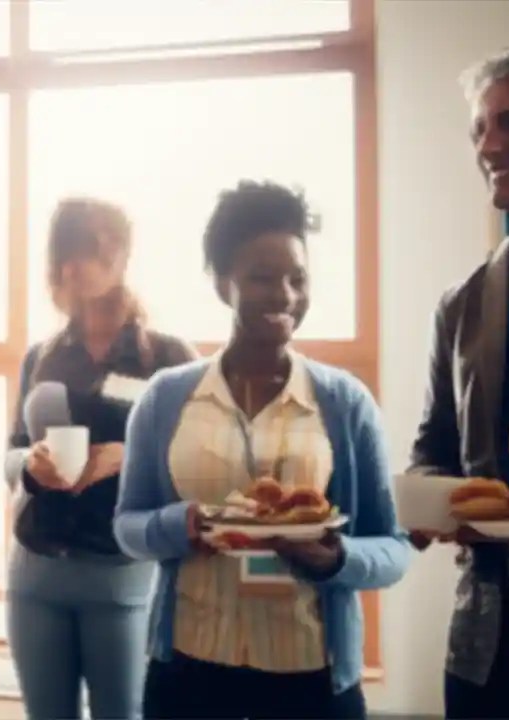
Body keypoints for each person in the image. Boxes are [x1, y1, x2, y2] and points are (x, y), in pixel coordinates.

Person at [114, 180, 410, 719]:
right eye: (261, 278)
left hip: (310, 679)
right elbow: (128, 525)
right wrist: (182, 525)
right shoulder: (166, 399)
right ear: (221, 282)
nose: (284, 295)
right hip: (189, 673)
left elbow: (393, 549)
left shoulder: (345, 403)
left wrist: (336, 558)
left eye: (298, 278)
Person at [408, 38, 509, 719]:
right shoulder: (462, 303)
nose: (488, 144)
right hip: (491, 634)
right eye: (479, 128)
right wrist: (427, 504)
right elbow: (433, 448)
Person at [4, 198, 195, 720]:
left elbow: (201, 462)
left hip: (122, 574)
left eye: (87, 252)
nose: (73, 268)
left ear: (121, 256)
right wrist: (30, 468)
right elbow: (12, 454)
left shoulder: (168, 358)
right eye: (63, 255)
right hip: (36, 572)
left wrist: (132, 456)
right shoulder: (41, 357)